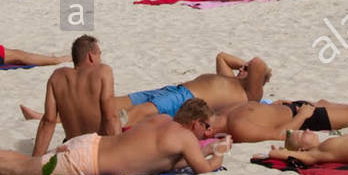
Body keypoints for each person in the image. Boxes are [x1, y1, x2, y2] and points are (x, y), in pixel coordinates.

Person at [0, 99, 227, 175]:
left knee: (26, 162)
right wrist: (220, 153)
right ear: (195, 123)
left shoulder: (160, 120)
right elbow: (204, 168)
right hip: (86, 161)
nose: (208, 134)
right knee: (19, 171)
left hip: (89, 143)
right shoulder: (186, 139)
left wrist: (207, 147)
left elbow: (160, 156)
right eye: (207, 128)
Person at [110, 51, 272, 126]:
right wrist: (245, 66)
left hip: (185, 99)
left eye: (246, 69)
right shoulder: (230, 79)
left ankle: (105, 135)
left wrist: (255, 70)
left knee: (140, 112)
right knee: (115, 103)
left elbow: (258, 63)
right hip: (173, 91)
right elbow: (222, 56)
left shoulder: (250, 95)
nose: (242, 68)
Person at [27, 35, 120, 155]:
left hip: (72, 150)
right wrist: (118, 153)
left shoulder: (57, 77)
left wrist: (35, 159)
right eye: (99, 54)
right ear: (91, 56)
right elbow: (110, 117)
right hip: (96, 150)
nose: (100, 59)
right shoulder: (103, 71)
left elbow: (48, 121)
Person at [211, 96, 348, 143]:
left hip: (292, 108)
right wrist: (302, 116)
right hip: (304, 119)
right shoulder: (238, 126)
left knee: (323, 102)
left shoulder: (222, 111)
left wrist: (271, 106)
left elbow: (254, 109)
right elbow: (280, 134)